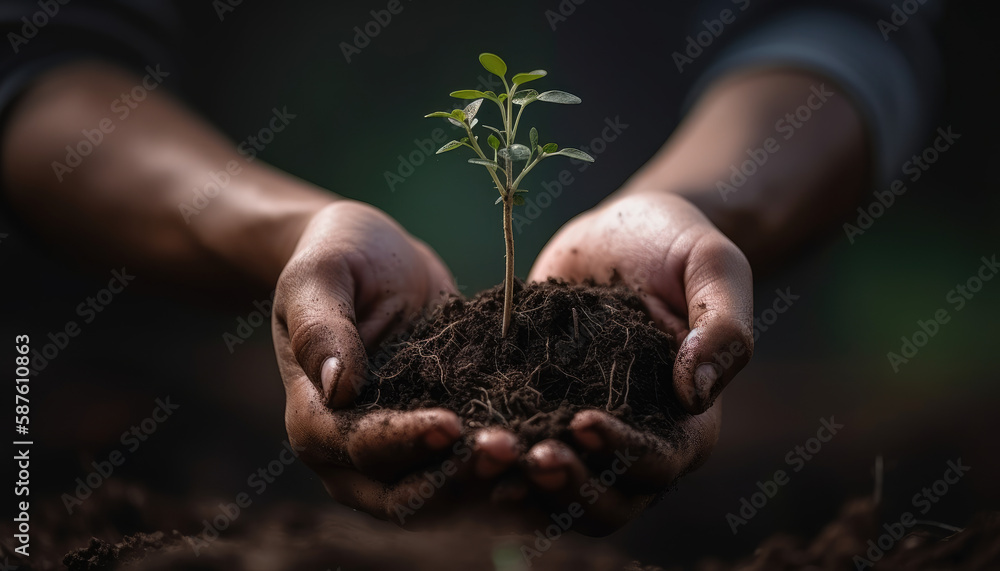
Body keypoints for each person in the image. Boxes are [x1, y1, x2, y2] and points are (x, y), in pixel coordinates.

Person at [0, 1, 940, 535]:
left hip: (745, 467)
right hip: (131, 407)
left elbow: (849, 24)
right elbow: (42, 70)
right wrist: (290, 236)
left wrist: (702, 206)